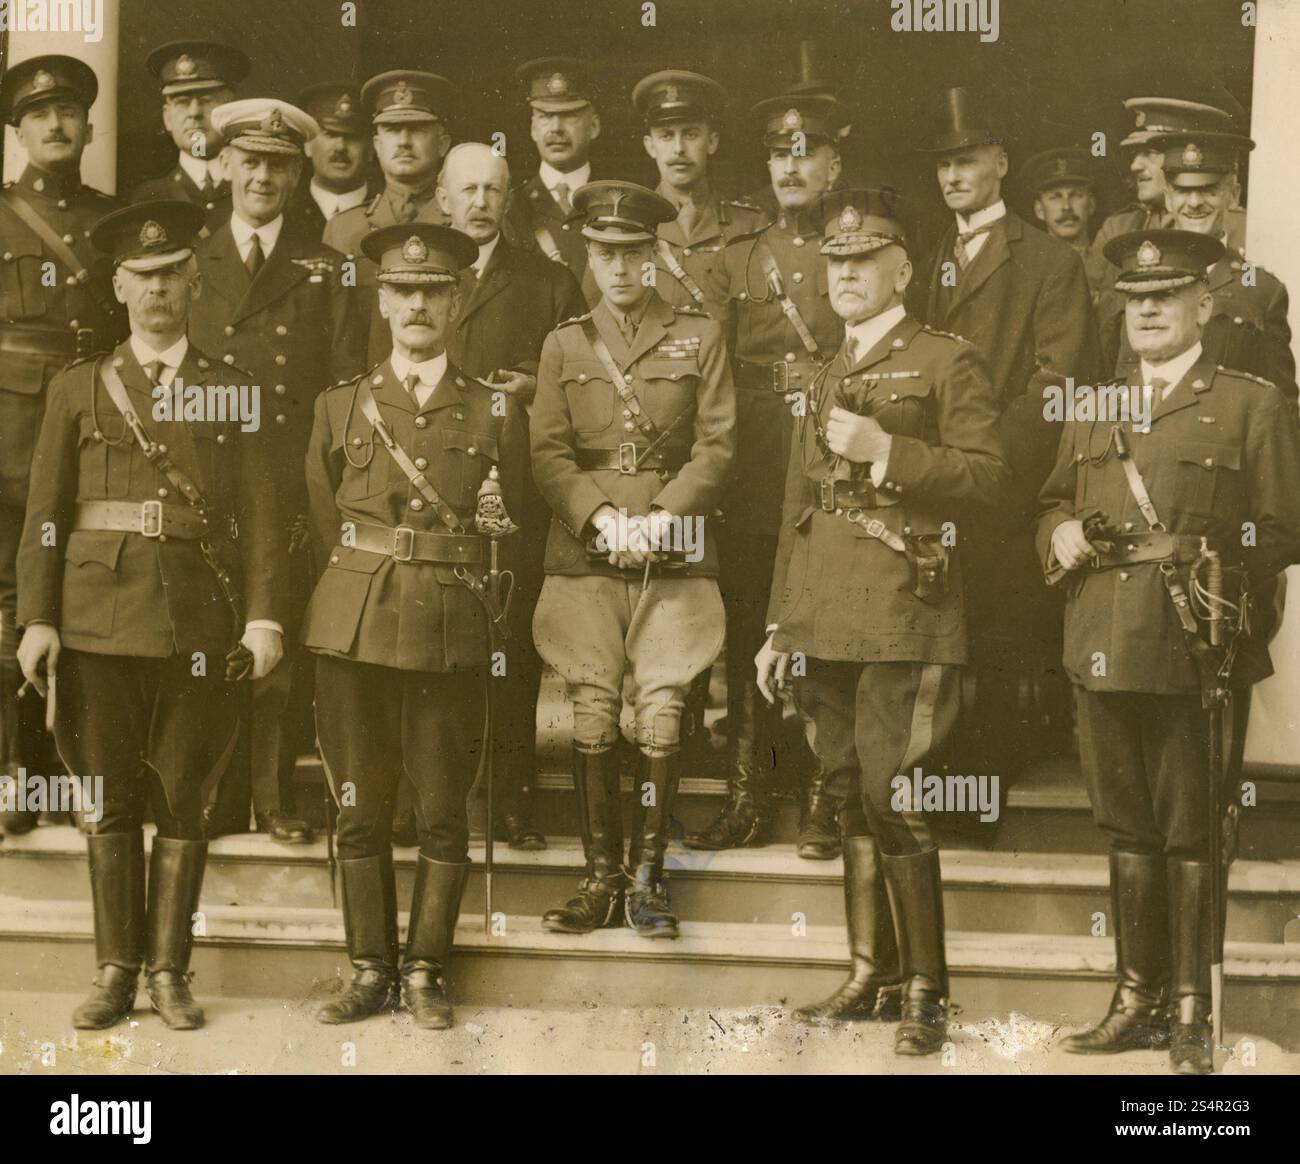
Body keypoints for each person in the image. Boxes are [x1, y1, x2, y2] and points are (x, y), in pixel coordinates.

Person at [16, 199, 286, 1030]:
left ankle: (169, 972)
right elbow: (46, 514)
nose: (159, 290)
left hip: (197, 622)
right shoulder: (76, 388)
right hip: (95, 619)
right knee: (106, 798)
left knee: (185, 795)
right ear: (120, 287)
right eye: (143, 276)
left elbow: (264, 515)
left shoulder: (229, 391)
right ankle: (113, 969)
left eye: (173, 274)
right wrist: (37, 618)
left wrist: (265, 619)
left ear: (193, 282)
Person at [1037, 228, 1300, 1074]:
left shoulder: (1251, 403)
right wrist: (1063, 529)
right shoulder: (1091, 404)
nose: (1147, 310)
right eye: (1135, 299)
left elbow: (1279, 529)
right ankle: (1135, 1000)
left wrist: (1227, 612)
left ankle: (1191, 1009)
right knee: (1127, 829)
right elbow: (1046, 502)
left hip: (1193, 649)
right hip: (1101, 641)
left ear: (1203, 306)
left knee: (1194, 833)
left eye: (1166, 297)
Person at [760, 188, 1009, 1053]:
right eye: (835, 263)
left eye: (863, 263)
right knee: (844, 791)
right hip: (825, 607)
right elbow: (798, 503)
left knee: (891, 794)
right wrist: (778, 626)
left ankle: (926, 993)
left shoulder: (946, 359)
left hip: (905, 604)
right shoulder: (822, 366)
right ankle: (871, 975)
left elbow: (989, 478)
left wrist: (887, 453)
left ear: (901, 270)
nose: (847, 276)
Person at [303, 222, 520, 1029]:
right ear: (382, 299)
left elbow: (512, 532)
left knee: (442, 809)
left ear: (458, 302)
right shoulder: (340, 406)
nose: (418, 303)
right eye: (403, 290)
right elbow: (324, 521)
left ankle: (426, 969)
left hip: (450, 627)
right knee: (358, 807)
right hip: (354, 624)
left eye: (434, 291)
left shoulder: (497, 410)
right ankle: (369, 968)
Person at [531, 181, 734, 940]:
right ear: (589, 254)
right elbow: (547, 453)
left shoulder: (700, 335)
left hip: (674, 549)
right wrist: (601, 517)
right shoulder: (564, 343)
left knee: (662, 706)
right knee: (590, 703)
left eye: (633, 253)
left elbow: (718, 448)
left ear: (654, 256)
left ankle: (649, 877)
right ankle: (598, 876)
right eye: (605, 253)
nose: (619, 267)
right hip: (585, 551)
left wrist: (659, 519)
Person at [915, 85, 1100, 802]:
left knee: (995, 629)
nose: (954, 176)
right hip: (937, 476)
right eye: (943, 165)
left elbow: (1057, 381)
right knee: (941, 626)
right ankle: (936, 778)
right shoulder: (935, 256)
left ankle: (979, 793)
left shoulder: (1049, 261)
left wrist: (989, 460)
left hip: (1003, 477)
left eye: (967, 161)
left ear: (1000, 163)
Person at [189, 98, 366, 843]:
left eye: (280, 165)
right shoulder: (189, 258)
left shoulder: (329, 270)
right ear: (224, 164)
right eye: (251, 161)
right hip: (197, 469)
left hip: (292, 476)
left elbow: (349, 383)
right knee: (205, 625)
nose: (264, 177)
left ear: (299, 174)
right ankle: (210, 793)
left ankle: (274, 798)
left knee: (280, 633)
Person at [691, 90, 850, 858]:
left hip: (830, 448)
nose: (792, 165)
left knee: (822, 613)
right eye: (781, 153)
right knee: (750, 612)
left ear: (833, 166)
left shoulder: (859, 246)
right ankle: (749, 794)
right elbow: (711, 369)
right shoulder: (736, 258)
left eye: (807, 152)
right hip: (755, 458)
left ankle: (825, 796)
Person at [437, 142, 586, 849]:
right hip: (431, 484)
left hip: (514, 487)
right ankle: (435, 800)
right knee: (437, 641)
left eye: (492, 190)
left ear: (508, 199)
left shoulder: (548, 280)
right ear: (442, 198)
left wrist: (534, 387)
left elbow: (582, 377)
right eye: (465, 189)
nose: (478, 202)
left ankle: (509, 800)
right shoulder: (416, 273)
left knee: (512, 642)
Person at [0, 55, 124, 835]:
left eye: (69, 112)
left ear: (88, 125)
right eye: (40, 114)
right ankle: (15, 773)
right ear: (16, 130)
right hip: (7, 435)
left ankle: (70, 773)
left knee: (81, 595)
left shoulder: (112, 222)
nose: (56, 124)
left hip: (89, 428)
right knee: (10, 600)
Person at [1103, 131, 1294, 410]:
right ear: (1168, 197)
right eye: (1182, 190)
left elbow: (1282, 407)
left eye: (1208, 189)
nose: (1194, 203)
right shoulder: (1131, 277)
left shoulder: (1261, 290)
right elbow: (1107, 380)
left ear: (1233, 195)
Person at [324, 70, 458, 363]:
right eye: (392, 130)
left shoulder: (462, 226)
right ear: (376, 144)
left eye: (418, 129)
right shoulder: (343, 230)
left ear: (443, 143)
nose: (404, 142)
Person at [631, 69, 766, 319]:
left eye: (691, 134)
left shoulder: (749, 226)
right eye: (666, 136)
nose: (679, 148)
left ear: (712, 142)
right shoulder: (628, 226)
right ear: (650, 146)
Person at [505, 57, 604, 304]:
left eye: (569, 115)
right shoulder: (511, 207)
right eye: (545, 116)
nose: (556, 128)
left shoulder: (614, 200)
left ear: (593, 126)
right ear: (532, 128)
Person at [129, 41, 250, 235]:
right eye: (183, 103)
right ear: (167, 118)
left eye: (206, 101)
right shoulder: (149, 198)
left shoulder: (257, 189)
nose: (194, 112)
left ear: (231, 111)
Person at [1019, 147, 1109, 302]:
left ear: (1092, 205)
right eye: (1055, 197)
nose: (1066, 206)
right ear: (1039, 210)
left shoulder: (1108, 266)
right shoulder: (1027, 270)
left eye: (1076, 195)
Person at [288, 83, 375, 241]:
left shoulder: (387, 215)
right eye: (330, 134)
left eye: (352, 137)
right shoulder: (283, 213)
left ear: (371, 149)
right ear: (307, 144)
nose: (340, 147)